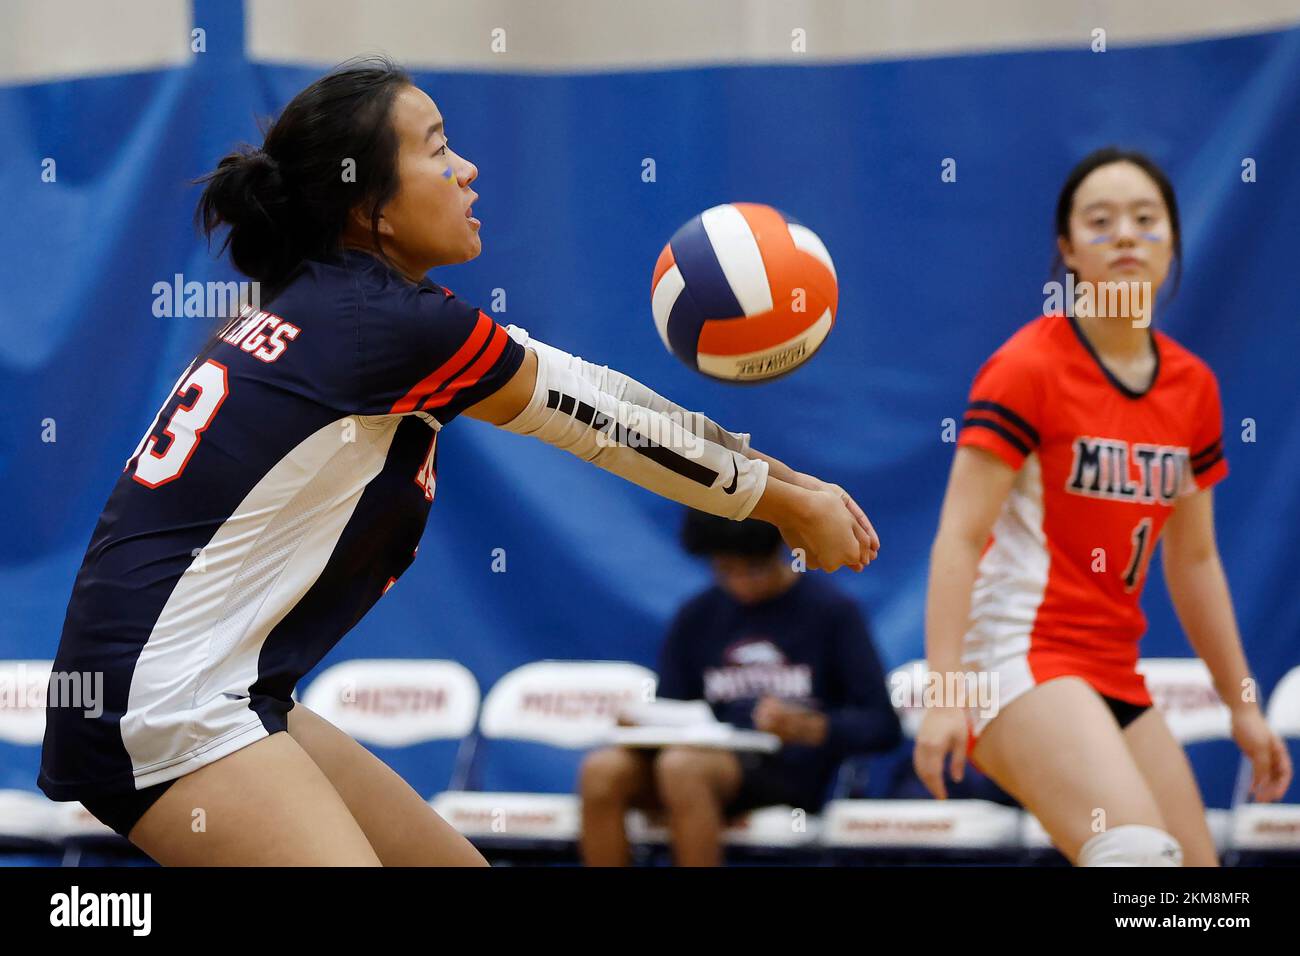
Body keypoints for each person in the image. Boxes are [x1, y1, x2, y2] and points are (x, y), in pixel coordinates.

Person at [37, 57, 879, 866]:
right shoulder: (384, 327)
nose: (469, 169)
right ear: (371, 206)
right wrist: (781, 505)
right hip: (164, 701)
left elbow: (596, 395)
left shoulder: (354, 310)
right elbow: (600, 427)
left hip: (217, 687)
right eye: (438, 149)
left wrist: (795, 488)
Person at [914, 147, 1292, 866]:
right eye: (1101, 220)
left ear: (1174, 241)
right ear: (1068, 249)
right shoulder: (1027, 368)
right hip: (1016, 658)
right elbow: (958, 538)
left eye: (1146, 220)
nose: (1125, 234)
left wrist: (1241, 704)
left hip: (1113, 669)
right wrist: (943, 692)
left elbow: (1197, 559)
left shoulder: (1192, 387)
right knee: (1139, 859)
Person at [580, 510, 901, 866]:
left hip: (788, 770)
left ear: (778, 552)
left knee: (683, 768)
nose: (741, 583)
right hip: (697, 764)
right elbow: (674, 708)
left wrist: (814, 726)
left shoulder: (832, 613)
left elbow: (883, 726)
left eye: (753, 569)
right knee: (601, 770)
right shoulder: (697, 616)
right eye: (726, 570)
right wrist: (645, 726)